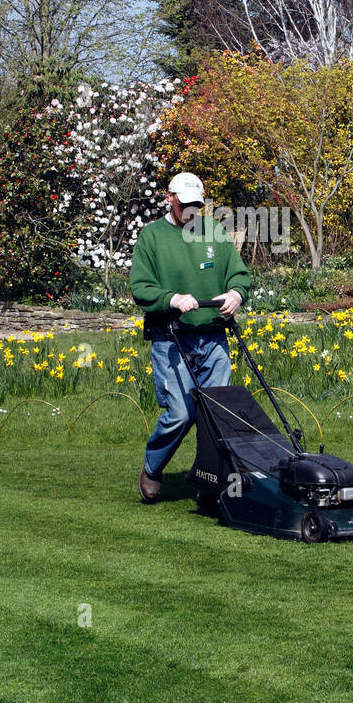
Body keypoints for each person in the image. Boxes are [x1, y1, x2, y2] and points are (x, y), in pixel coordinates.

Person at [130, 172, 251, 501]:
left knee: (217, 414)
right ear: (170, 198)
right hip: (172, 338)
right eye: (186, 205)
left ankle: (209, 479)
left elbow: (238, 274)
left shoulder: (213, 231)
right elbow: (140, 287)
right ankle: (153, 468)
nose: (192, 211)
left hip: (213, 337)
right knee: (181, 414)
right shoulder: (152, 236)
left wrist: (237, 294)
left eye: (197, 205)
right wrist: (172, 299)